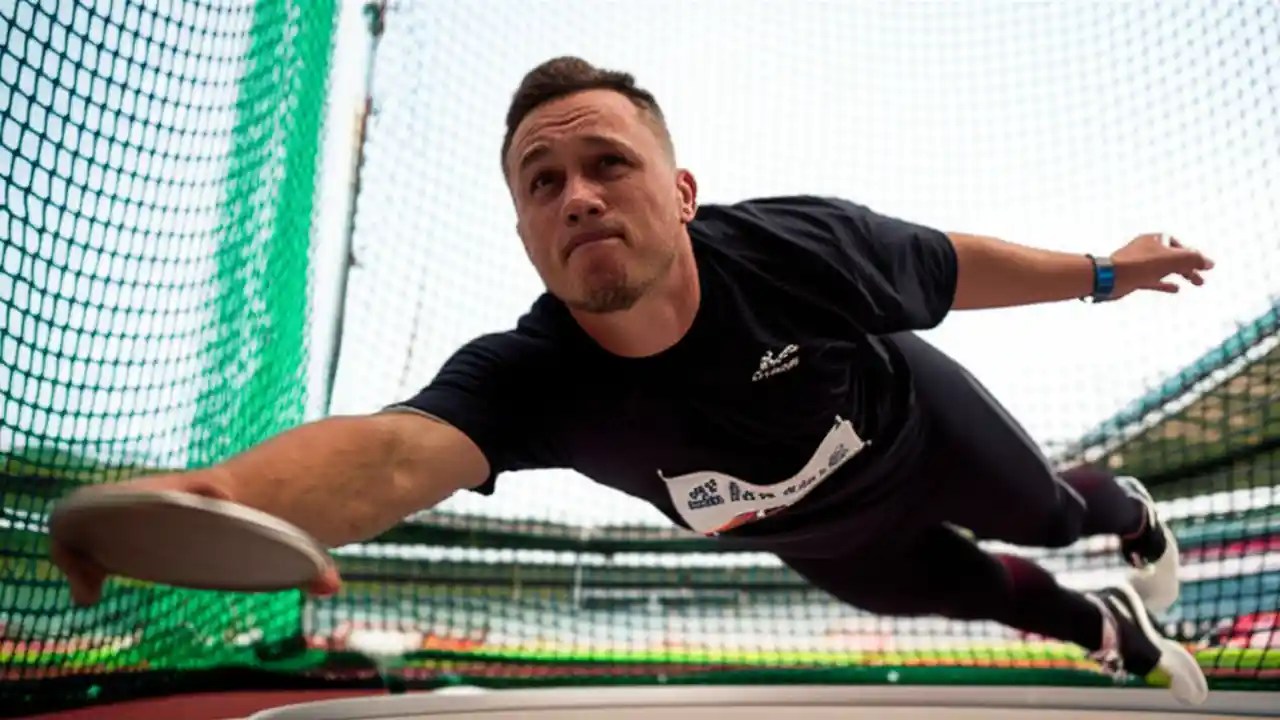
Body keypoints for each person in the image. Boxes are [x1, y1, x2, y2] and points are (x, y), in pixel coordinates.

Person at [52, 57, 1215, 704]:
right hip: (815, 536)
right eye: (540, 181)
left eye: (607, 161)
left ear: (680, 191)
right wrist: (222, 496)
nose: (577, 194)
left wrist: (1108, 272)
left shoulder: (799, 249)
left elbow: (959, 270)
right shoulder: (529, 377)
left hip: (924, 433)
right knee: (979, 598)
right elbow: (395, 453)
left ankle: (1124, 517)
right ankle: (1106, 633)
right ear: (523, 232)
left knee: (1049, 513)